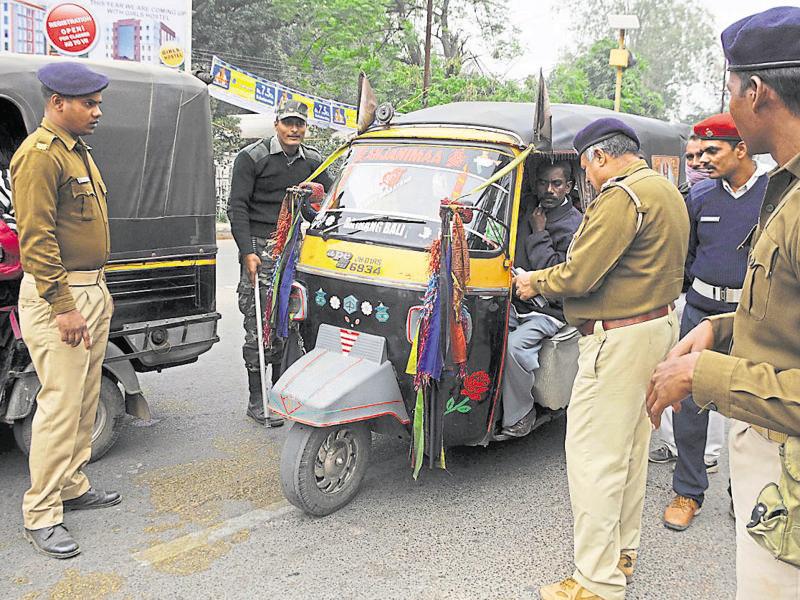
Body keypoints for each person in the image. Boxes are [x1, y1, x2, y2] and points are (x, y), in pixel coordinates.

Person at [648, 6, 800, 598]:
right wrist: (721, 328)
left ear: (757, 93)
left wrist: (705, 373)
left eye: (730, 90)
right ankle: (691, 488)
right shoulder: (785, 188)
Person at [515, 118, 688, 600]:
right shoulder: (663, 188)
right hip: (656, 327)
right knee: (630, 453)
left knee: (593, 459)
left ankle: (597, 582)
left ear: (599, 157)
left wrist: (535, 283)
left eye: (584, 167)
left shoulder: (621, 195)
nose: (585, 178)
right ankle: (620, 553)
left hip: (620, 339)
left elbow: (580, 274)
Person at [10, 62, 119, 559]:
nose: (98, 111)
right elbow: (36, 239)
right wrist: (62, 305)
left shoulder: (78, 153)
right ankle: (41, 512)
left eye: (98, 103)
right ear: (58, 103)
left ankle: (72, 485)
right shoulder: (39, 156)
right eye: (89, 104)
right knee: (58, 404)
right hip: (63, 298)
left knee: (82, 398)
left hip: (90, 290)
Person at [660, 113, 767, 532]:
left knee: (751, 408)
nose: (701, 159)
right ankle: (688, 491)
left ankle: (745, 494)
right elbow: (687, 256)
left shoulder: (774, 197)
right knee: (689, 403)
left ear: (740, 149)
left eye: (711, 150)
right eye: (698, 151)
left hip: (752, 319)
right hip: (700, 311)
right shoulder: (700, 197)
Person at [227, 100, 332, 425]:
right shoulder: (252, 158)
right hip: (260, 248)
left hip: (295, 250)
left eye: (299, 124)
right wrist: (247, 252)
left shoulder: (313, 161)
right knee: (258, 327)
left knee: (289, 326)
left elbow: (329, 201)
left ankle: (280, 392)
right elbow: (237, 207)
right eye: (288, 123)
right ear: (277, 124)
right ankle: (257, 400)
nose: (294, 129)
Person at [502, 161, 582, 437]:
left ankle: (521, 413)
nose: (549, 190)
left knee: (514, 346)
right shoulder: (527, 209)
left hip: (551, 310)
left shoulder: (574, 224)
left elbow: (558, 275)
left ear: (568, 187)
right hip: (516, 300)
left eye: (557, 184)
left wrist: (539, 233)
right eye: (543, 183)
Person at [650, 134, 712, 465]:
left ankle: (708, 455)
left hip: (711, 297)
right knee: (678, 371)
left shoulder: (732, 198)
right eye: (690, 158)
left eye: (704, 156)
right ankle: (676, 446)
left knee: (706, 380)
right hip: (686, 294)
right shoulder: (683, 196)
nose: (696, 164)